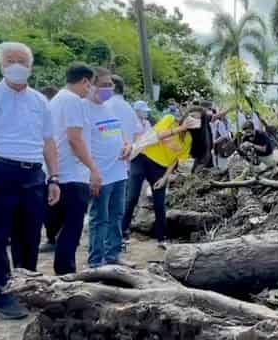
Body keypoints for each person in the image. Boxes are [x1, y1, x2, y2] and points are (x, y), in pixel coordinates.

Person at [0, 42, 60, 320]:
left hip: (32, 174)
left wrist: (54, 177)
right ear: (1, 65)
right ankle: (1, 295)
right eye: (10, 60)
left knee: (29, 236)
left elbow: (48, 141)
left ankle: (25, 288)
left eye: (21, 60)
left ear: (30, 66)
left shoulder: (40, 101)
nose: (16, 65)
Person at [46, 63, 99, 274]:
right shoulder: (73, 101)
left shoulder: (56, 100)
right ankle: (66, 273)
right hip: (73, 174)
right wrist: (93, 169)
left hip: (58, 173)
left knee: (62, 228)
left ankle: (63, 269)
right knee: (72, 228)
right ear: (85, 81)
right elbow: (75, 140)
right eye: (91, 85)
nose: (91, 90)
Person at [85, 68, 137, 266]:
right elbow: (80, 144)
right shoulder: (84, 109)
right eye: (104, 85)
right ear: (91, 86)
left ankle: (113, 255)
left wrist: (127, 145)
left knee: (116, 216)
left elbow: (119, 133)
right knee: (99, 219)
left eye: (110, 85)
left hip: (118, 171)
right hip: (100, 174)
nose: (108, 89)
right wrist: (92, 172)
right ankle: (96, 262)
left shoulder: (109, 108)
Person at [133, 107, 203, 247]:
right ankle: (123, 234)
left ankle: (161, 238)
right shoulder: (169, 119)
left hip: (161, 168)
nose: (194, 120)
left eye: (198, 119)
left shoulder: (188, 139)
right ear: (185, 115)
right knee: (132, 197)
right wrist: (181, 128)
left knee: (159, 204)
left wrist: (165, 177)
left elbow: (175, 160)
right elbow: (158, 135)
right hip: (143, 158)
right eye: (192, 116)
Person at [121, 100, 153, 239]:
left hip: (146, 160)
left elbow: (150, 139)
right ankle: (123, 226)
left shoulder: (147, 123)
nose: (145, 113)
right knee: (130, 197)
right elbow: (137, 140)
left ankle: (128, 223)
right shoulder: (132, 123)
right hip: (132, 161)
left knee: (138, 196)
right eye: (143, 110)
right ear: (136, 111)